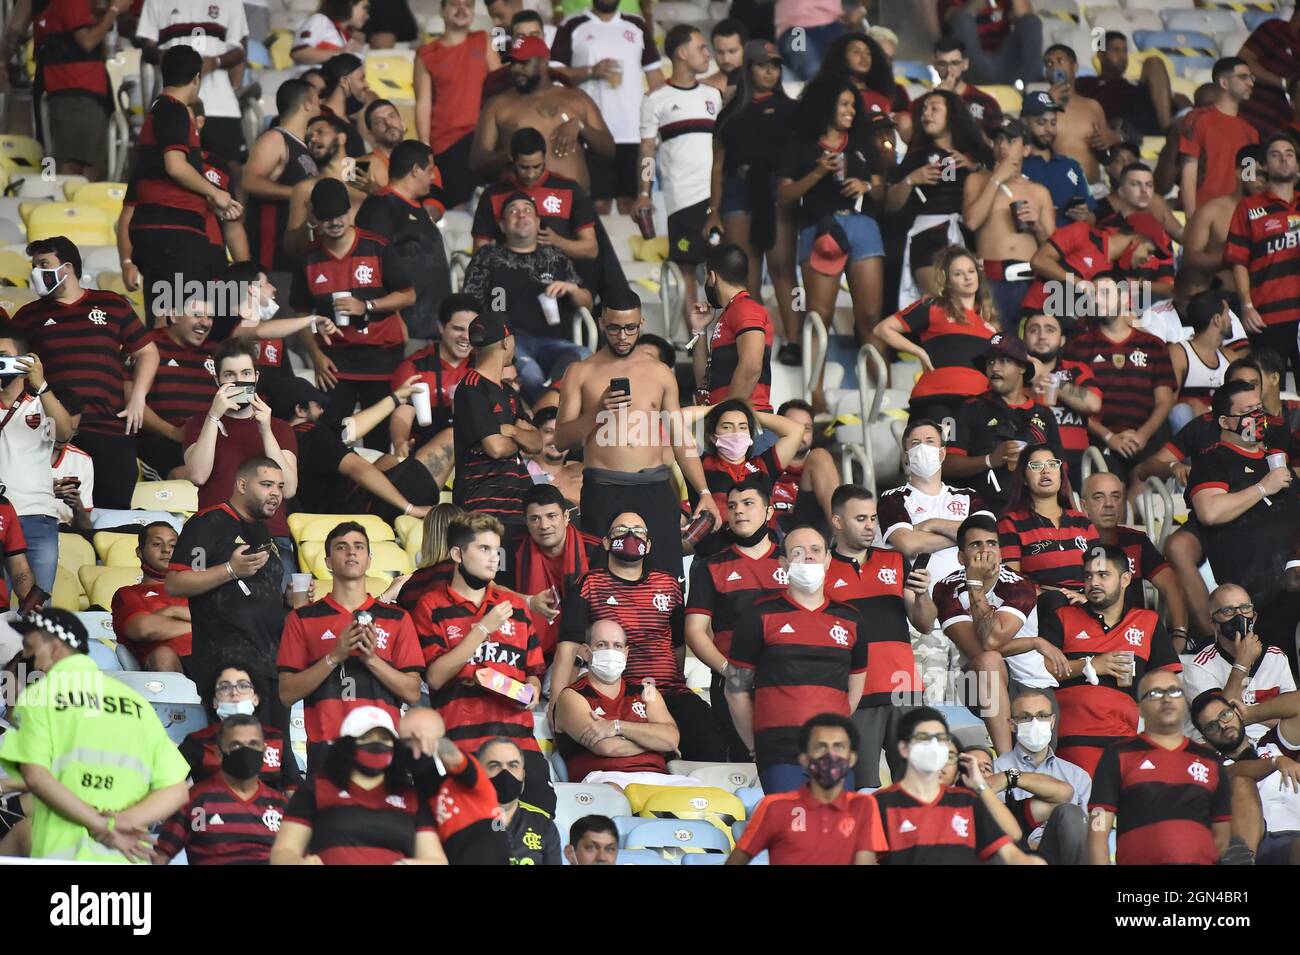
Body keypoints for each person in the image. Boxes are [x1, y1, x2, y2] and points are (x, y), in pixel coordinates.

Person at [553, 288, 720, 580]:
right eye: (615, 328)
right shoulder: (580, 372)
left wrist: (703, 492)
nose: (622, 336)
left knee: (664, 577)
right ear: (601, 323)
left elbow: (680, 438)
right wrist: (597, 413)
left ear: (642, 324)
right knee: (601, 580)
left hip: (654, 488)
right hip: (603, 489)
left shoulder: (659, 373)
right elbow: (561, 440)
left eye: (630, 328)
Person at [0, 609, 191, 862]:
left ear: (55, 648)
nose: (25, 656)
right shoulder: (137, 703)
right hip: (125, 859)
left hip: (59, 853)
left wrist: (103, 827)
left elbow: (36, 778)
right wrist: (122, 823)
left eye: (29, 646)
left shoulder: (41, 696)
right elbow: (177, 790)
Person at [413, 513, 553, 814]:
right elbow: (435, 677)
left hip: (519, 745)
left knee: (541, 821)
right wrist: (482, 629)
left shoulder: (514, 607)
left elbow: (533, 674)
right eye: (484, 549)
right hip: (462, 746)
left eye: (496, 551)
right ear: (457, 554)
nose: (494, 560)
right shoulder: (431, 606)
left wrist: (530, 690)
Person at [556, 511, 725, 761]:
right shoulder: (590, 584)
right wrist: (556, 703)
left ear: (648, 544)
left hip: (671, 691)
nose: (630, 536)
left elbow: (678, 644)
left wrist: (671, 681)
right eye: (621, 530)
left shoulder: (668, 584)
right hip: (622, 694)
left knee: (710, 747)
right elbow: (568, 647)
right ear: (605, 542)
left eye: (638, 531)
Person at [12, 237, 158, 511]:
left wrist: (138, 398)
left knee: (110, 513)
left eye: (44, 264)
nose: (36, 273)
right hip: (52, 433)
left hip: (109, 430)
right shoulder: (27, 316)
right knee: (50, 513)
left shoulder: (112, 304)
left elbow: (147, 352)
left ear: (67, 268)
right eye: (34, 266)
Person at [725, 525, 867, 792]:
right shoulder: (758, 615)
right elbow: (735, 689)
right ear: (783, 563)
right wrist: (755, 743)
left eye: (815, 551)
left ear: (828, 559)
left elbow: (856, 684)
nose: (808, 557)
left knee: (836, 828)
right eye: (797, 552)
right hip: (778, 748)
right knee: (791, 826)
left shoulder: (851, 618)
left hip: (834, 748)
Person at [167, 458, 292, 747]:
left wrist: (289, 599)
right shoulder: (207, 523)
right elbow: (175, 583)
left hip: (272, 661)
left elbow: (259, 591)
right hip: (227, 665)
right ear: (242, 485)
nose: (276, 493)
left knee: (275, 755)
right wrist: (230, 570)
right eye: (267, 484)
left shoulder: (261, 531)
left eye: (280, 487)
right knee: (237, 750)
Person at [278, 522, 424, 769]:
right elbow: (286, 694)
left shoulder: (397, 618)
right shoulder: (301, 618)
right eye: (341, 547)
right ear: (327, 561)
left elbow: (412, 692)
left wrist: (371, 659)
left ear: (369, 559)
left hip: (383, 750)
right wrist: (334, 656)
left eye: (359, 547)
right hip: (327, 752)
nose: (351, 552)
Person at [292, 178, 416, 451]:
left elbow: (408, 295)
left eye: (339, 215)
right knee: (328, 438)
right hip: (335, 362)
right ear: (315, 218)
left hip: (383, 357)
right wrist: (316, 356)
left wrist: (367, 306)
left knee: (379, 441)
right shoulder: (308, 258)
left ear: (351, 212)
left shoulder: (377, 246)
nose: (334, 222)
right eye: (326, 218)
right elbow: (301, 314)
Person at [1037, 544, 1182, 777]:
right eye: (1088, 576)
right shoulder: (1062, 617)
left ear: (1125, 579)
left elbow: (1167, 680)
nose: (1094, 582)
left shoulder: (1147, 621)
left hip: (1128, 737)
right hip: (1074, 737)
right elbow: (1040, 671)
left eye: (1103, 575)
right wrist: (1091, 665)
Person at [827, 485, 934, 785]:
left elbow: (924, 623)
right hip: (855, 697)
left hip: (906, 692)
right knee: (863, 790)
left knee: (917, 789)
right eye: (860, 519)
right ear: (837, 522)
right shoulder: (820, 569)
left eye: (873, 518)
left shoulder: (896, 561)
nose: (870, 526)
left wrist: (923, 595)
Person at [932, 514, 1064, 754]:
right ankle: (1005, 759)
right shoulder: (946, 588)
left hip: (1030, 683)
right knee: (988, 660)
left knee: (1038, 768)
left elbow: (994, 638)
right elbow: (982, 648)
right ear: (961, 557)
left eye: (992, 544)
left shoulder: (1019, 584)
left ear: (1001, 552)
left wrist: (975, 587)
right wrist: (1033, 642)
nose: (985, 551)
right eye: (975, 545)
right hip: (977, 684)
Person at [1189, 379, 1300, 662]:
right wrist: (1263, 488)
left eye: (1260, 409)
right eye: (1249, 412)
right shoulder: (1213, 460)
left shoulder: (1275, 461)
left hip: (1292, 579)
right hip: (1252, 594)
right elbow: (1210, 511)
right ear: (1226, 422)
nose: (1258, 418)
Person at [126, 46, 241, 307]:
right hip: (174, 234)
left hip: (158, 232)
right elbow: (175, 166)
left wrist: (209, 200)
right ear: (197, 78)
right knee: (183, 316)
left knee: (166, 316)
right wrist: (216, 192)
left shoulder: (158, 109)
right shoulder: (175, 109)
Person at [708, 40, 800, 359]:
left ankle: (793, 343)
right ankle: (754, 342)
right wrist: (714, 209)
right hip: (737, 188)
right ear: (748, 69)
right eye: (763, 64)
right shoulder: (730, 113)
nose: (770, 71)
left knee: (781, 267)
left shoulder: (792, 110)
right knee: (746, 272)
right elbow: (718, 165)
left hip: (776, 189)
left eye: (775, 65)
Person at [779, 74, 887, 344]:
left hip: (862, 226)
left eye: (853, 105)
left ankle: (881, 387)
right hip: (819, 227)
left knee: (872, 317)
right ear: (826, 106)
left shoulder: (862, 142)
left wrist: (865, 185)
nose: (851, 111)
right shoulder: (801, 146)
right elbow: (783, 195)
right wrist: (817, 173)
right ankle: (814, 388)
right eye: (844, 105)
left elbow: (881, 189)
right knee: (819, 316)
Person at [686, 479, 786, 759]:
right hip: (732, 684)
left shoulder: (795, 563)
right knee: (745, 766)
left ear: (769, 512)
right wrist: (731, 671)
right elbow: (695, 631)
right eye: (732, 506)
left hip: (787, 681)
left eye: (748, 503)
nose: (739, 511)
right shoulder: (710, 567)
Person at [1089, 668, 1231, 864]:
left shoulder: (1211, 760)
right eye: (1155, 693)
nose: (1167, 699)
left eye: (1174, 691)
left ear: (1184, 703)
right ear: (1139, 708)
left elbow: (1221, 837)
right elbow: (1097, 832)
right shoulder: (1118, 755)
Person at [461, 192, 593, 402]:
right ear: (503, 225)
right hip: (509, 342)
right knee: (532, 376)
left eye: (527, 210)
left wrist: (572, 289)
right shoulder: (487, 256)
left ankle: (552, 402)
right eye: (513, 212)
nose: (521, 215)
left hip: (555, 341)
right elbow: (468, 305)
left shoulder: (555, 256)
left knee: (584, 357)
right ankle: (547, 412)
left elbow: (588, 303)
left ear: (538, 221)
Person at [272, 706, 447, 864]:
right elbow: (284, 851)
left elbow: (436, 860)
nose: (377, 744)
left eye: (384, 739)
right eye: (366, 737)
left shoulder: (410, 796)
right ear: (346, 745)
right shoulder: (316, 789)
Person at [182, 339, 297, 575]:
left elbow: (289, 489)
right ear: (217, 381)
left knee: (278, 609)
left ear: (256, 377)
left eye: (245, 373)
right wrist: (214, 416)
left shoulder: (280, 427)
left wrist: (265, 430)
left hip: (271, 536)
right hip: (214, 536)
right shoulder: (197, 425)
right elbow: (198, 475)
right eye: (229, 375)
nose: (238, 381)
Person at [872, 706, 1044, 864]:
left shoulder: (966, 801)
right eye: (924, 739)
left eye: (940, 739)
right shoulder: (880, 804)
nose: (934, 747)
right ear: (904, 748)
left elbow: (1010, 851)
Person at [637, 25, 721, 323]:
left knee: (723, 270)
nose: (707, 53)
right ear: (682, 53)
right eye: (701, 47)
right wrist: (644, 193)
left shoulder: (714, 95)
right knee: (687, 272)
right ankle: (697, 348)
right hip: (683, 199)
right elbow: (648, 151)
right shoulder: (655, 99)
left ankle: (726, 346)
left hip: (717, 196)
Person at [269, 377, 438, 523]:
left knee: (388, 460)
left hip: (319, 515)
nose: (322, 410)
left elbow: (349, 429)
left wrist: (395, 398)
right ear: (300, 410)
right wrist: (409, 508)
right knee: (448, 435)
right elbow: (358, 468)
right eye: (317, 405)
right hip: (359, 514)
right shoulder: (314, 433)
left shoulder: (279, 440)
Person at [551, 0, 664, 215]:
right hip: (592, 133)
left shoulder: (637, 24)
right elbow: (555, 75)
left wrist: (658, 125)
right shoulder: (572, 24)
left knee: (634, 206)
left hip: (634, 133)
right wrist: (590, 71)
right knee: (597, 206)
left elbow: (655, 77)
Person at [728, 713, 887, 865]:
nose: (830, 755)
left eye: (839, 747)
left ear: (852, 758)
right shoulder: (774, 807)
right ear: (804, 759)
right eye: (820, 747)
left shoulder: (864, 806)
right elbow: (738, 859)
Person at [885, 89, 991, 310]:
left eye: (934, 108)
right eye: (924, 109)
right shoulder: (917, 155)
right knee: (938, 308)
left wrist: (975, 168)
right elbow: (890, 205)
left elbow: (1000, 183)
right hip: (929, 236)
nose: (927, 114)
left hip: (967, 237)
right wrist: (911, 180)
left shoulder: (976, 153)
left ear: (951, 114)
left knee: (972, 310)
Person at [472, 34, 617, 193]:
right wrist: (511, 153)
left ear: (544, 61)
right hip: (523, 207)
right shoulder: (497, 104)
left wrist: (580, 126)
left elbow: (609, 149)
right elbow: (477, 162)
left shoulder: (577, 98)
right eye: (512, 63)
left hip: (574, 205)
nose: (516, 69)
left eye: (524, 62)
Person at [1063, 276, 1176, 480]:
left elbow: (1164, 401)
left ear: (1124, 298)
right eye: (1093, 295)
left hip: (1146, 441)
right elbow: (1073, 402)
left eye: (1105, 293)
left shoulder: (1153, 345)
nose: (1097, 300)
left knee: (1148, 483)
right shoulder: (1077, 346)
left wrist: (1142, 436)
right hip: (1096, 441)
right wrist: (1109, 437)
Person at [451, 313, 539, 566]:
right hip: (484, 509)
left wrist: (510, 431)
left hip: (517, 507)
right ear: (507, 342)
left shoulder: (508, 391)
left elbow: (537, 444)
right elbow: (496, 448)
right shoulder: (471, 387)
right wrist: (519, 435)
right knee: (491, 585)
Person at [878, 245, 1001, 420]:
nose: (967, 277)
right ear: (947, 281)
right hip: (937, 398)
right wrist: (918, 351)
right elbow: (883, 329)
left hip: (979, 404)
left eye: (971, 271)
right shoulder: (933, 306)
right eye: (958, 274)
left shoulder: (989, 324)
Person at [942, 334, 1062, 513]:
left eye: (1004, 361)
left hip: (1034, 515)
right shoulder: (969, 408)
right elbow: (946, 466)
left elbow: (1061, 470)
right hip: (982, 512)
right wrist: (990, 460)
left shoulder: (1045, 414)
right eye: (990, 362)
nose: (994, 368)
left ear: (1022, 367)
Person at [554, 618, 680, 783]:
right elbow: (607, 746)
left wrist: (617, 727)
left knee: (704, 799)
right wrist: (656, 741)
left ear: (626, 653)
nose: (610, 651)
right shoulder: (571, 696)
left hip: (660, 778)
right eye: (601, 645)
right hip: (605, 782)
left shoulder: (646, 691)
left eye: (617, 646)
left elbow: (671, 738)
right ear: (585, 651)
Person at [153, 714, 288, 865]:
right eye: (235, 745)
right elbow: (161, 856)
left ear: (264, 750)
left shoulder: (281, 805)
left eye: (253, 744)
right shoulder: (194, 800)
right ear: (219, 753)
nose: (245, 752)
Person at [136, 0, 249, 178]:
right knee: (166, 167)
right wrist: (167, 57)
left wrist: (216, 61)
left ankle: (233, 206)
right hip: (173, 101)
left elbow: (240, 50)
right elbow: (147, 47)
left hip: (219, 102)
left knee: (229, 169)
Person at [961, 120, 1055, 331]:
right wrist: (996, 179)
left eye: (1011, 140)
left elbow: (1053, 249)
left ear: (1027, 149)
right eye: (998, 140)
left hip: (1030, 281)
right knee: (992, 345)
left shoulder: (1039, 191)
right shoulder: (977, 180)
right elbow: (972, 222)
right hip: (991, 279)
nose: (1003, 146)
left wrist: (1037, 225)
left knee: (1027, 348)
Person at [354, 140, 451, 341]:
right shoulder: (379, 206)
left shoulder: (417, 208)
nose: (433, 177)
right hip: (405, 329)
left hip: (433, 326)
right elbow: (370, 267)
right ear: (416, 170)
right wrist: (395, 319)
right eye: (430, 170)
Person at [1191, 688, 1300, 865]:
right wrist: (1275, 762)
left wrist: (1250, 713)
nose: (1223, 725)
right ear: (1205, 738)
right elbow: (1235, 773)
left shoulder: (1271, 745)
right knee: (1241, 782)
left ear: (1237, 712)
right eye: (1211, 726)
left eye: (1225, 715)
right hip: (1254, 848)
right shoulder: (1211, 766)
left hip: (1293, 841)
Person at [0, 324, 70, 596]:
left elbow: (64, 433)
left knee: (38, 606)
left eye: (5, 356)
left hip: (35, 515)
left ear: (24, 361)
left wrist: (40, 384)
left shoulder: (42, 403)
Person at [1079, 472, 1188, 645]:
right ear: (1084, 506)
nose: (1109, 504)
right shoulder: (1072, 544)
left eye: (1115, 497)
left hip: (1135, 637)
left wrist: (1179, 633)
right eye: (1099, 497)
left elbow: (1172, 586)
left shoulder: (1137, 541)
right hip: (1086, 636)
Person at [471, 127, 599, 271]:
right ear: (512, 160)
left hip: (560, 280)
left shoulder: (569, 189)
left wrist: (559, 242)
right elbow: (480, 252)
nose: (531, 174)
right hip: (510, 279)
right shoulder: (493, 195)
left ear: (545, 158)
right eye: (524, 167)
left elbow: (591, 249)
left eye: (537, 166)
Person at [877, 418, 988, 582]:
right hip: (918, 595)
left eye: (930, 441)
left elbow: (986, 533)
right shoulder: (893, 498)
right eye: (915, 443)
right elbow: (908, 544)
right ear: (906, 457)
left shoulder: (968, 496)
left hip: (971, 590)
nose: (922, 447)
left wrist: (931, 524)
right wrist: (967, 538)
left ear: (942, 453)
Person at [397, 706, 512, 864]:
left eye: (419, 740)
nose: (415, 748)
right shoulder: (416, 795)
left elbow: (454, 757)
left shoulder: (472, 777)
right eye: (407, 742)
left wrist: (437, 744)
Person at [1226, 132, 1300, 376]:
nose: (1283, 159)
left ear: (1297, 163)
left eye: (1289, 154)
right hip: (1267, 315)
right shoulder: (1248, 207)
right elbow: (1238, 262)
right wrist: (1246, 306)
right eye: (1275, 155)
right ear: (1265, 165)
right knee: (1269, 390)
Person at [414, 0, 500, 209]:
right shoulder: (426, 54)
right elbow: (423, 103)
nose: (462, 9)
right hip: (446, 141)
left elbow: (500, 86)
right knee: (457, 208)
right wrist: (425, 146)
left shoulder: (483, 40)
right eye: (455, 4)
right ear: (442, 11)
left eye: (468, 5)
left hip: (481, 136)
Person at [992, 687, 1091, 865]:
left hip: (1066, 858)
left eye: (1042, 715)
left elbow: (1085, 834)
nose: (1035, 722)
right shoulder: (995, 770)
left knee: (1070, 813)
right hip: (1016, 857)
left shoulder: (1078, 776)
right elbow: (994, 830)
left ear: (1052, 721)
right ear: (1012, 725)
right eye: (1025, 717)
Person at [25, 0, 125, 178]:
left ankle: (85, 204)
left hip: (86, 92)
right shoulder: (72, 2)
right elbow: (87, 42)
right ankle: (66, 205)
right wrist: (114, 10)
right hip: (75, 93)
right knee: (72, 165)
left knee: (91, 166)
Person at [1183, 585, 1296, 740]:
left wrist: (1249, 714)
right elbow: (1219, 723)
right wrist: (1242, 663)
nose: (1239, 615)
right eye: (1228, 611)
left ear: (1254, 617)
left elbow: (1292, 715)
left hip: (1277, 745)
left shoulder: (1275, 656)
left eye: (1245, 608)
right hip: (1231, 751)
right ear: (1213, 624)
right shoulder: (1199, 666)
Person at [243, 79, 322, 278]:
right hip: (273, 263)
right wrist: (297, 194)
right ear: (307, 103)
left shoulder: (307, 149)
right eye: (318, 101)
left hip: (299, 261)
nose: (321, 106)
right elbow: (250, 181)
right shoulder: (276, 139)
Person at [179, 660, 298, 790]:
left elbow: (292, 790)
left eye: (243, 686)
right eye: (224, 687)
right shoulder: (198, 742)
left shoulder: (276, 738)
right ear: (214, 701)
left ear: (256, 698)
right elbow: (169, 787)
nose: (234, 693)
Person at [514, 483, 601, 661]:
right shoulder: (514, 552)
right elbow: (493, 592)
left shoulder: (595, 550)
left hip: (588, 649)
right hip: (532, 650)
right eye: (535, 519)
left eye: (551, 516)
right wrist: (529, 602)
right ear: (525, 521)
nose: (544, 525)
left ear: (566, 516)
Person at [997, 445, 1099, 595]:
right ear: (1024, 479)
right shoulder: (1010, 523)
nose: (1045, 471)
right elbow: (1012, 580)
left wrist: (1085, 599)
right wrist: (1050, 596)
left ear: (1060, 474)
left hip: (1085, 606)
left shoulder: (1083, 522)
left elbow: (1099, 574)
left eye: (1052, 464)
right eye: (1036, 466)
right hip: (1040, 606)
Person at [388, 294, 476, 462]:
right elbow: (402, 412)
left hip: (472, 457)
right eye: (458, 328)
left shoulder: (484, 365)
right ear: (441, 327)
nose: (466, 336)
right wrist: (400, 442)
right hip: (424, 455)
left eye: (471, 329)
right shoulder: (415, 366)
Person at [695, 401, 805, 530]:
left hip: (764, 546)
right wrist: (717, 408)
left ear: (750, 436)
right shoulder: (700, 464)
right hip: (718, 546)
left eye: (743, 427)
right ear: (713, 437)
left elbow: (796, 430)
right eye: (727, 427)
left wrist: (746, 411)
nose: (736, 433)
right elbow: (673, 419)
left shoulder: (764, 465)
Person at [1020, 312, 1101, 490]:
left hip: (1078, 462)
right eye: (1034, 330)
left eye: (1050, 330)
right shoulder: (1016, 373)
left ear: (1062, 340)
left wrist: (1046, 377)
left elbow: (1093, 404)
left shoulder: (1077, 370)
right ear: (1024, 340)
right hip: (1031, 462)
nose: (1041, 336)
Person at [1180, 58, 1260, 218]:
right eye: (1243, 77)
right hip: (1205, 214)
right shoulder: (1197, 119)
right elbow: (1189, 171)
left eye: (1251, 78)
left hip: (1239, 219)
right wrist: (1192, 217)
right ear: (1224, 82)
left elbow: (1249, 179)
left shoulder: (1251, 132)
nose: (1250, 83)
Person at [109, 521, 191, 673]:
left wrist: (171, 612)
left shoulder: (196, 589)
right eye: (156, 544)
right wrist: (201, 627)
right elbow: (144, 629)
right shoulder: (128, 593)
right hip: (166, 669)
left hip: (210, 660)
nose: (166, 550)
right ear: (140, 552)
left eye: (173, 546)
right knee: (163, 655)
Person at [1182, 146, 1268, 289]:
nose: (1263, 181)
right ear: (1241, 173)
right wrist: (1231, 256)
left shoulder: (1276, 212)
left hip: (1267, 300)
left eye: (1268, 176)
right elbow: (1190, 259)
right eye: (1258, 174)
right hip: (1224, 299)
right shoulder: (1211, 211)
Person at [1039, 44, 1120, 189]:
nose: (1054, 67)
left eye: (1060, 61)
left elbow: (1107, 153)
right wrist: (1046, 103)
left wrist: (1112, 138)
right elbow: (1027, 141)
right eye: (1049, 64)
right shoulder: (1037, 105)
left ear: (1075, 67)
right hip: (1055, 190)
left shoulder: (1093, 106)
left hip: (1093, 189)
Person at [477, 737, 561, 865]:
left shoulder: (544, 826)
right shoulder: (458, 824)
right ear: (479, 774)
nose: (505, 773)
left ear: (523, 776)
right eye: (494, 765)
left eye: (513, 765)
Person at [1075, 32, 1173, 140]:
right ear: (1101, 55)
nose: (1122, 56)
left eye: (1125, 51)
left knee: (1154, 63)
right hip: (1116, 126)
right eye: (1116, 50)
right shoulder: (1085, 82)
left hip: (1142, 120)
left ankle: (1168, 130)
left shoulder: (1132, 84)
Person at [1019, 91, 1095, 228]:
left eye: (1053, 123)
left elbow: (1093, 218)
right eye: (1041, 122)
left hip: (1072, 244)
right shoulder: (1016, 165)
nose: (1049, 130)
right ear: (1024, 121)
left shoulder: (1072, 166)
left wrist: (1084, 216)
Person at [1166, 290, 1233, 431]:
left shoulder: (1231, 358)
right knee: (1180, 412)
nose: (1231, 319)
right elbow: (1166, 405)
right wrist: (1190, 402)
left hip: (1225, 434)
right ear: (1217, 319)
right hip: (1193, 436)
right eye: (1227, 313)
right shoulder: (1180, 353)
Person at [937, 0, 1042, 88]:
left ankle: (1035, 91)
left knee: (1032, 21)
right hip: (971, 66)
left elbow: (1026, 17)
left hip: (1002, 64)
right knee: (962, 18)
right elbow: (952, 18)